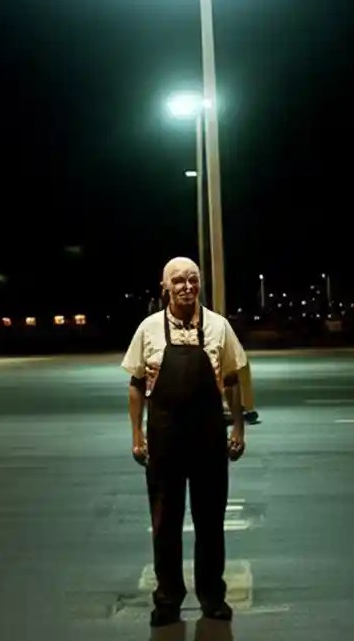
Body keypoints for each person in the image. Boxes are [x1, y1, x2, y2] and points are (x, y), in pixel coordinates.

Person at [122, 256, 248, 628]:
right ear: (165, 287)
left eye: (193, 280)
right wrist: (137, 434)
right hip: (165, 441)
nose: (187, 287)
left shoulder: (218, 326)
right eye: (179, 281)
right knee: (165, 524)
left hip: (209, 439)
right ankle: (167, 599)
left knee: (210, 523)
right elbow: (135, 386)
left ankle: (212, 597)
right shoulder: (148, 330)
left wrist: (238, 429)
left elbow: (231, 380)